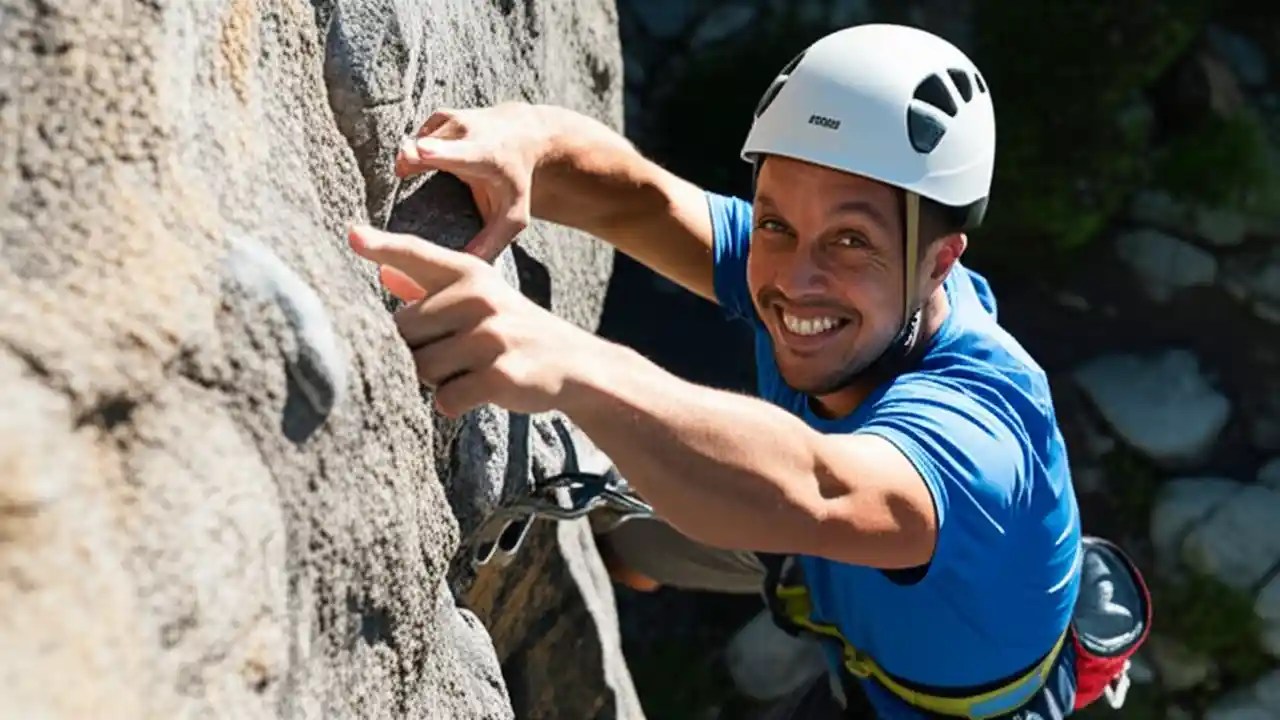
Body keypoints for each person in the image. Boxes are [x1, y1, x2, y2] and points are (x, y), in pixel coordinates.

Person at [347, 23, 1145, 720]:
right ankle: (631, 551)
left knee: (731, 499)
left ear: (940, 262)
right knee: (647, 535)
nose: (795, 279)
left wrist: (567, 360)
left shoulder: (980, 442)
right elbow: (643, 204)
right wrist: (528, 140)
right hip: (836, 560)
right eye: (775, 222)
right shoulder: (847, 294)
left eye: (850, 240)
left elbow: (819, 488)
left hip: (923, 688)